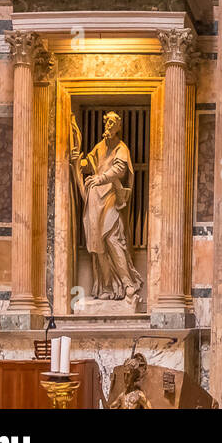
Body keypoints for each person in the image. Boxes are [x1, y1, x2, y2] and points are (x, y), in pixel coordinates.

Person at [70, 111, 143, 302]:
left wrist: (100, 178)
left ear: (119, 127)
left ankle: (128, 284)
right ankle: (108, 286)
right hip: (95, 200)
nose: (108, 126)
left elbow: (119, 169)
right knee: (97, 245)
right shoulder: (101, 147)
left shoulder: (121, 148)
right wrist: (78, 160)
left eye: (112, 123)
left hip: (111, 197)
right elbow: (90, 164)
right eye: (107, 123)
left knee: (113, 239)